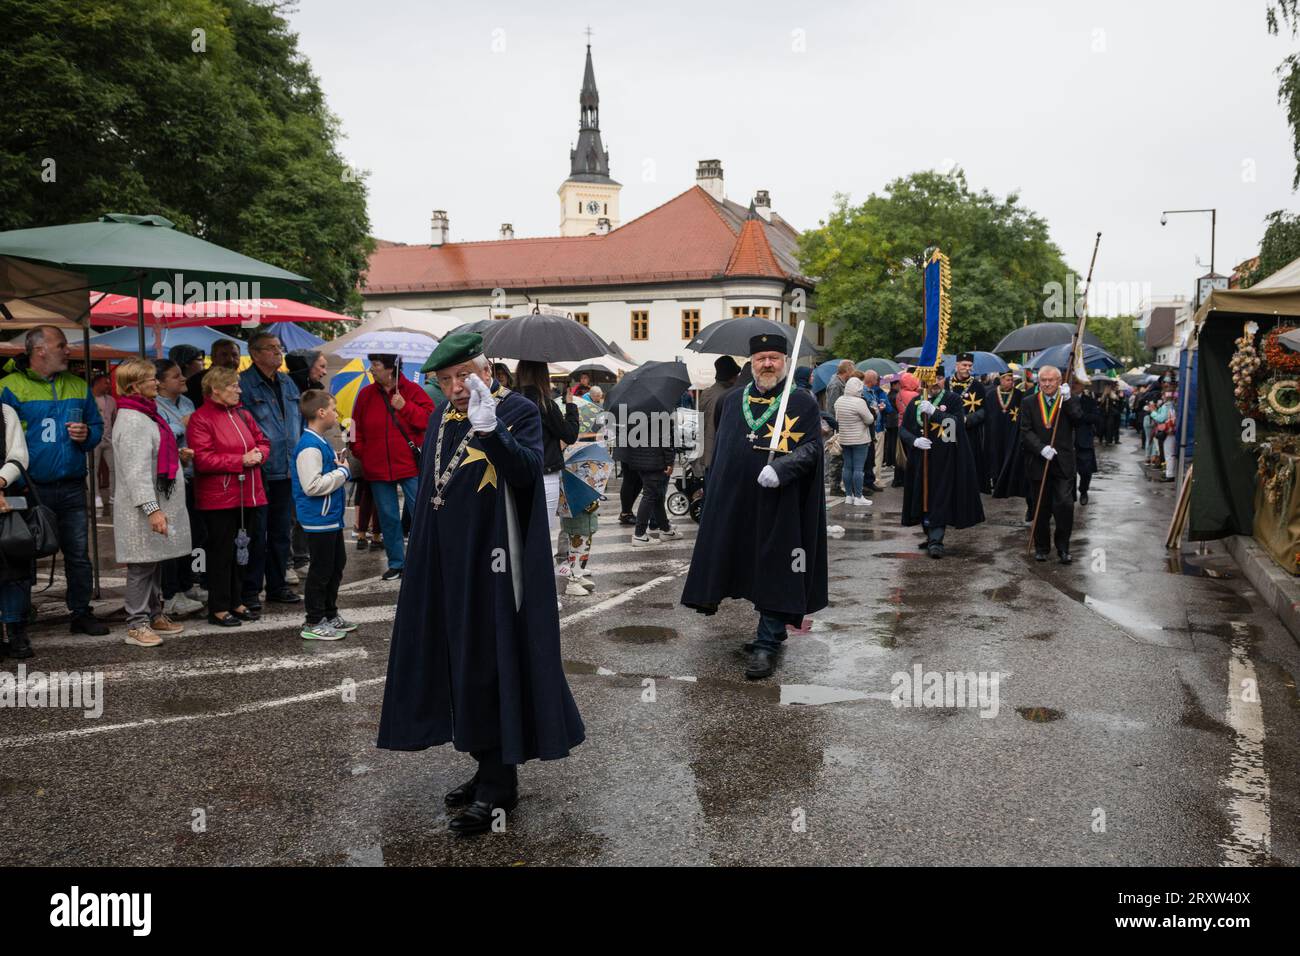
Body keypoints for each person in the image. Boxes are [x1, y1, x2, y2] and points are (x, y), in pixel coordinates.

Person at [380, 332, 585, 836]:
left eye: (462, 375)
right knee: (457, 662)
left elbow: (527, 472)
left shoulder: (516, 411)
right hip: (446, 563)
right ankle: (484, 766)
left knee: (491, 663)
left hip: (494, 566)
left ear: (486, 369)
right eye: (445, 379)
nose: (454, 387)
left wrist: (493, 431)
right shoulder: (439, 416)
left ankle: (500, 785)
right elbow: (434, 490)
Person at [681, 333, 828, 680]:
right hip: (736, 500)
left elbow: (811, 450)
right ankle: (772, 631)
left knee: (776, 568)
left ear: (785, 363)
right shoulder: (731, 401)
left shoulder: (801, 402)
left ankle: (766, 643)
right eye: (761, 358)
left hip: (779, 500)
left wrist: (781, 468)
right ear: (751, 362)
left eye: (774, 358)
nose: (767, 364)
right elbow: (725, 447)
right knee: (742, 563)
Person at [0, 326, 108, 635]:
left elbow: (97, 426)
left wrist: (88, 434)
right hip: (29, 487)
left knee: (78, 553)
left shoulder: (77, 385)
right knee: (22, 552)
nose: (69, 350)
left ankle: (81, 612)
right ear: (40, 350)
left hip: (72, 484)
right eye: (61, 345)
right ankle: (20, 616)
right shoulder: (9, 387)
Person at [111, 358, 192, 647]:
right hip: (142, 509)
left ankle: (155, 614)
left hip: (151, 504)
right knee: (141, 566)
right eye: (150, 379)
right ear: (134, 385)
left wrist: (175, 456)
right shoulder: (133, 419)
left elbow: (153, 456)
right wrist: (152, 509)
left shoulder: (145, 413)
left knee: (153, 561)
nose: (156, 382)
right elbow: (136, 473)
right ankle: (136, 623)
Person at [188, 366, 268, 627]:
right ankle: (219, 606)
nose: (239, 390)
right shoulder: (201, 419)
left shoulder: (243, 414)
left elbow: (263, 441)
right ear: (216, 390)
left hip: (249, 493)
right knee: (221, 553)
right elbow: (202, 459)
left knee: (242, 550)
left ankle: (236, 600)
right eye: (234, 386)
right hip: (219, 497)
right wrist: (241, 460)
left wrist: (260, 455)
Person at [352, 353, 435, 581]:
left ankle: (424, 560)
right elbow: (353, 426)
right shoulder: (365, 395)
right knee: (388, 518)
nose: (371, 369)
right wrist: (359, 451)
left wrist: (405, 407)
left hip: (410, 465)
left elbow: (429, 420)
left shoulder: (414, 391)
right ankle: (397, 564)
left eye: (375, 365)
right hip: (377, 468)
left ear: (391, 368)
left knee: (421, 514)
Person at [239, 331, 302, 608]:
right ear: (255, 353)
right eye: (272, 348)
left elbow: (297, 422)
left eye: (280, 347)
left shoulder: (288, 382)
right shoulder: (245, 384)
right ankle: (251, 591)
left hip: (288, 468)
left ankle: (277, 586)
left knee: (281, 532)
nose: (279, 352)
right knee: (256, 533)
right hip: (260, 469)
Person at [899, 369, 985, 558]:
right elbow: (903, 430)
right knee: (922, 497)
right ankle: (930, 535)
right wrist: (914, 441)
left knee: (939, 497)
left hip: (943, 459)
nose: (936, 382)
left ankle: (936, 540)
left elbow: (955, 427)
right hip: (920, 458)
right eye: (932, 379)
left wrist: (934, 412)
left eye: (939, 378)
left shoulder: (952, 399)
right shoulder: (915, 402)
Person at [291, 389, 356, 641]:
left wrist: (336, 463)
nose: (336, 413)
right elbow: (312, 485)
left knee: (335, 565)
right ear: (321, 412)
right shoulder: (309, 445)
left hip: (328, 517)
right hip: (318, 518)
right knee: (321, 570)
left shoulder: (319, 441)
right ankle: (314, 620)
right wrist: (343, 473)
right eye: (333, 408)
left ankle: (329, 613)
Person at [515, 360, 580, 563]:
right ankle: (539, 577)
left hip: (517, 472)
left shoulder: (511, 399)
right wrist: (570, 406)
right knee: (542, 531)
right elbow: (569, 434)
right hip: (545, 472)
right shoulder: (545, 404)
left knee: (520, 528)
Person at [153, 360, 204, 618]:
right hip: (170, 482)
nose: (183, 378)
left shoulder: (187, 403)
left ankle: (189, 584)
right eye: (176, 376)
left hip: (191, 474)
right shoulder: (153, 406)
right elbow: (156, 438)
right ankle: (171, 593)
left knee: (192, 535)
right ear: (160, 383)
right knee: (171, 537)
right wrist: (181, 426)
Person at [1019, 365, 1084, 563]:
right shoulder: (1029, 402)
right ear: (1039, 382)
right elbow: (1025, 430)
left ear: (1059, 381)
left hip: (1063, 463)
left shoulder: (1067, 400)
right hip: (1039, 462)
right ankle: (1042, 547)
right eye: (1043, 380)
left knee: (1064, 505)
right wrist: (1041, 448)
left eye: (1051, 380)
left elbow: (1079, 420)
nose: (1047, 384)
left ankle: (1063, 547)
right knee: (1041, 507)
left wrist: (1070, 399)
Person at [0, 397, 33, 659]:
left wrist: (0, 481)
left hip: (5, 501)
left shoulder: (5, 411)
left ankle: (15, 630)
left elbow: (18, 455)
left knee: (14, 568)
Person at [948, 352, 989, 493]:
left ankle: (970, 487)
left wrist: (969, 419)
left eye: (970, 365)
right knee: (949, 458)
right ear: (957, 365)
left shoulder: (978, 386)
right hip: (948, 428)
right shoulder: (946, 383)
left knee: (969, 459)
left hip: (970, 430)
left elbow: (985, 410)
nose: (967, 368)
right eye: (964, 365)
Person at [834, 376, 874, 506]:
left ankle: (848, 496)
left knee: (847, 468)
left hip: (845, 438)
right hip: (860, 440)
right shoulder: (859, 402)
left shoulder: (839, 401)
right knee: (858, 469)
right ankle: (858, 497)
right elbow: (869, 419)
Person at [697, 355, 741, 474]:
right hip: (718, 454)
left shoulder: (707, 393)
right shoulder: (729, 396)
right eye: (736, 375)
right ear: (731, 377)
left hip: (704, 452)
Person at [823, 360, 854, 495]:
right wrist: (835, 425)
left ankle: (835, 484)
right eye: (852, 370)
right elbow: (832, 408)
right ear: (847, 370)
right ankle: (833, 485)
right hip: (836, 425)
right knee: (835, 455)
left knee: (838, 457)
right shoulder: (836, 385)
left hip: (839, 424)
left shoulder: (840, 383)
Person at [861, 369, 891, 493]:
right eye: (876, 379)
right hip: (868, 429)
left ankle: (873, 480)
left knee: (875, 456)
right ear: (872, 380)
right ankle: (870, 481)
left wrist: (882, 408)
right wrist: (876, 410)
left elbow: (889, 408)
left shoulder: (876, 392)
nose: (878, 381)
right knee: (869, 457)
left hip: (877, 427)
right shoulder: (864, 393)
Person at [187, 338, 240, 408]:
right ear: (213, 358)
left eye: (234, 355)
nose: (230, 359)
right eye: (224, 355)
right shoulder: (197, 381)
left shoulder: (242, 381)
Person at [890, 371, 921, 488]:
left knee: (901, 454)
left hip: (900, 424)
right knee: (911, 454)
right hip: (911, 426)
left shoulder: (899, 393)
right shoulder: (914, 395)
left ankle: (899, 479)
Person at [91, 372, 116, 511]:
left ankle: (113, 495)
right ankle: (96, 496)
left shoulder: (112, 400)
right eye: (106, 382)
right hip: (93, 440)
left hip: (108, 439)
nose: (108, 385)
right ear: (97, 383)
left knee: (114, 468)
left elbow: (114, 420)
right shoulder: (87, 398)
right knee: (92, 469)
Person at [1074, 383, 1102, 505]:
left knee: (1086, 471)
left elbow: (1096, 418)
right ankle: (1069, 495)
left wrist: (1081, 415)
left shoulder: (1089, 401)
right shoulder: (1063, 399)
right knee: (1067, 473)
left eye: (1076, 383)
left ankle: (1083, 490)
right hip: (1067, 441)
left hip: (1084, 441)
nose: (1074, 385)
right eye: (1072, 382)